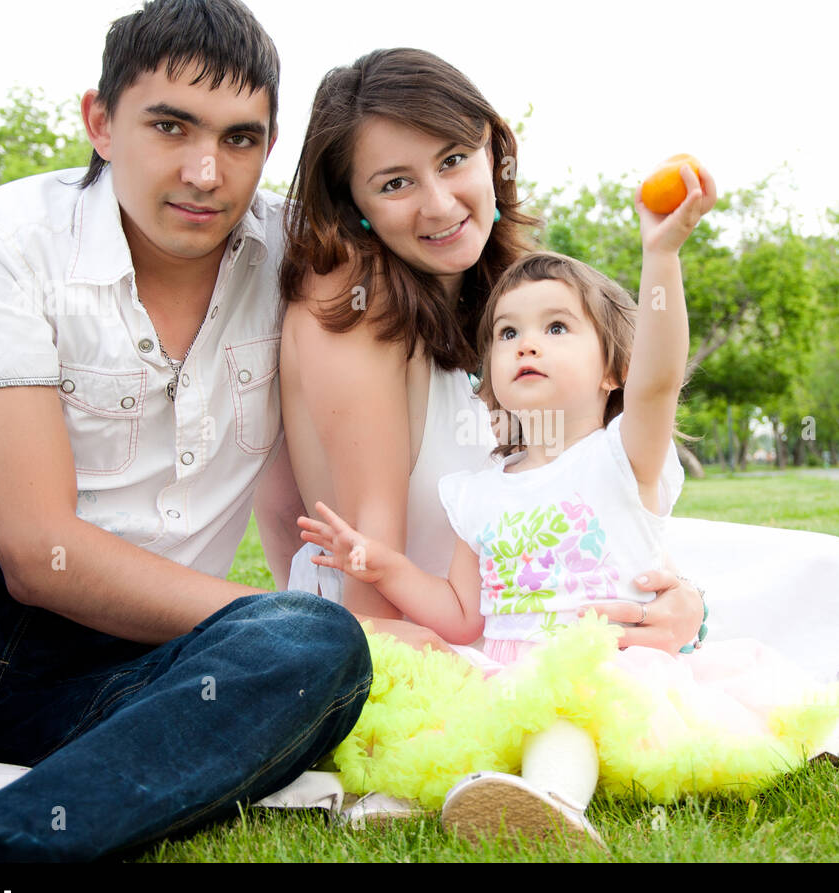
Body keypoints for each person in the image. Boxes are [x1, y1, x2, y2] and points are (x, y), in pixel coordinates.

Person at [0, 0, 371, 863]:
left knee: (314, 639)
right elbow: (35, 550)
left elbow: (461, 278)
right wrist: (262, 608)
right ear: (100, 122)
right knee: (285, 622)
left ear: (269, 148)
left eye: (241, 139)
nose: (207, 171)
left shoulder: (305, 260)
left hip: (131, 680)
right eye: (170, 126)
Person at [298, 189, 839, 847]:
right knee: (446, 707)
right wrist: (382, 564)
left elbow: (659, 380)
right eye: (508, 332)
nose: (528, 343)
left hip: (604, 671)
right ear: (491, 370)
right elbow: (460, 615)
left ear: (613, 369)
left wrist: (662, 254)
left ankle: (552, 798)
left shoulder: (620, 459)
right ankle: (422, 788)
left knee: (562, 716)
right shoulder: (476, 493)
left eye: (556, 327)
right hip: (503, 665)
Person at [262, 48, 708, 655]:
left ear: (493, 155)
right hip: (414, 638)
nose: (440, 204)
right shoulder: (354, 297)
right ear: (352, 207)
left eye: (453, 160)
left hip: (513, 618)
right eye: (395, 183)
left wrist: (679, 601)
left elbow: (594, 495)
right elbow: (367, 604)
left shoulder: (514, 302)